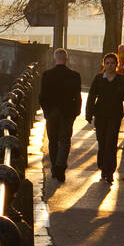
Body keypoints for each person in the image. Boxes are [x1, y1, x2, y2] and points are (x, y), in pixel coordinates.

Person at [85, 52, 124, 185]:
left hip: (115, 116)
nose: (110, 66)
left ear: (116, 65)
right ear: (104, 64)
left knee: (111, 143)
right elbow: (91, 96)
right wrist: (89, 113)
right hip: (100, 116)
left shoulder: (122, 80)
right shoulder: (98, 79)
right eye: (107, 63)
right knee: (102, 142)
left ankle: (109, 172)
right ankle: (102, 166)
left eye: (112, 63)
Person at [39, 48, 81, 181]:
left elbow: (42, 96)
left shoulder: (47, 75)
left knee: (53, 141)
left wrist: (46, 111)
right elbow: (77, 96)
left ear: (54, 58)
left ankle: (54, 167)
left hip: (52, 112)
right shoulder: (75, 76)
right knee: (65, 141)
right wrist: (76, 112)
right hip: (67, 113)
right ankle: (60, 167)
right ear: (66, 59)